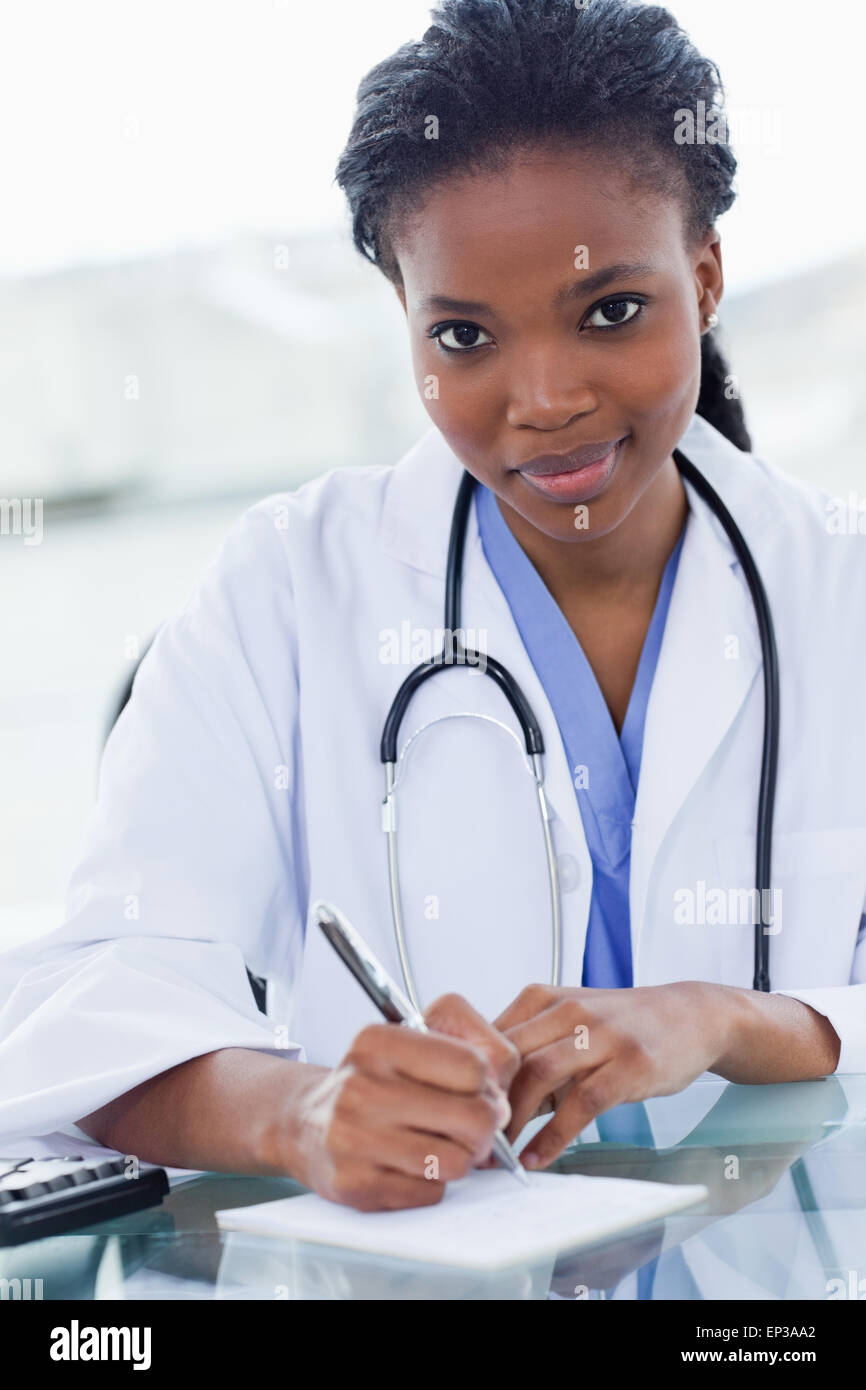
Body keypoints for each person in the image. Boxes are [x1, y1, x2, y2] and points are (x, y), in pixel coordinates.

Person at [1, 0, 864, 1213]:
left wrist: (735, 1020)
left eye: (609, 311)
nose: (546, 398)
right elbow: (85, 1003)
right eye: (463, 336)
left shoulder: (840, 588)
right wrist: (298, 1111)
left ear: (705, 277)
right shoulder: (287, 589)